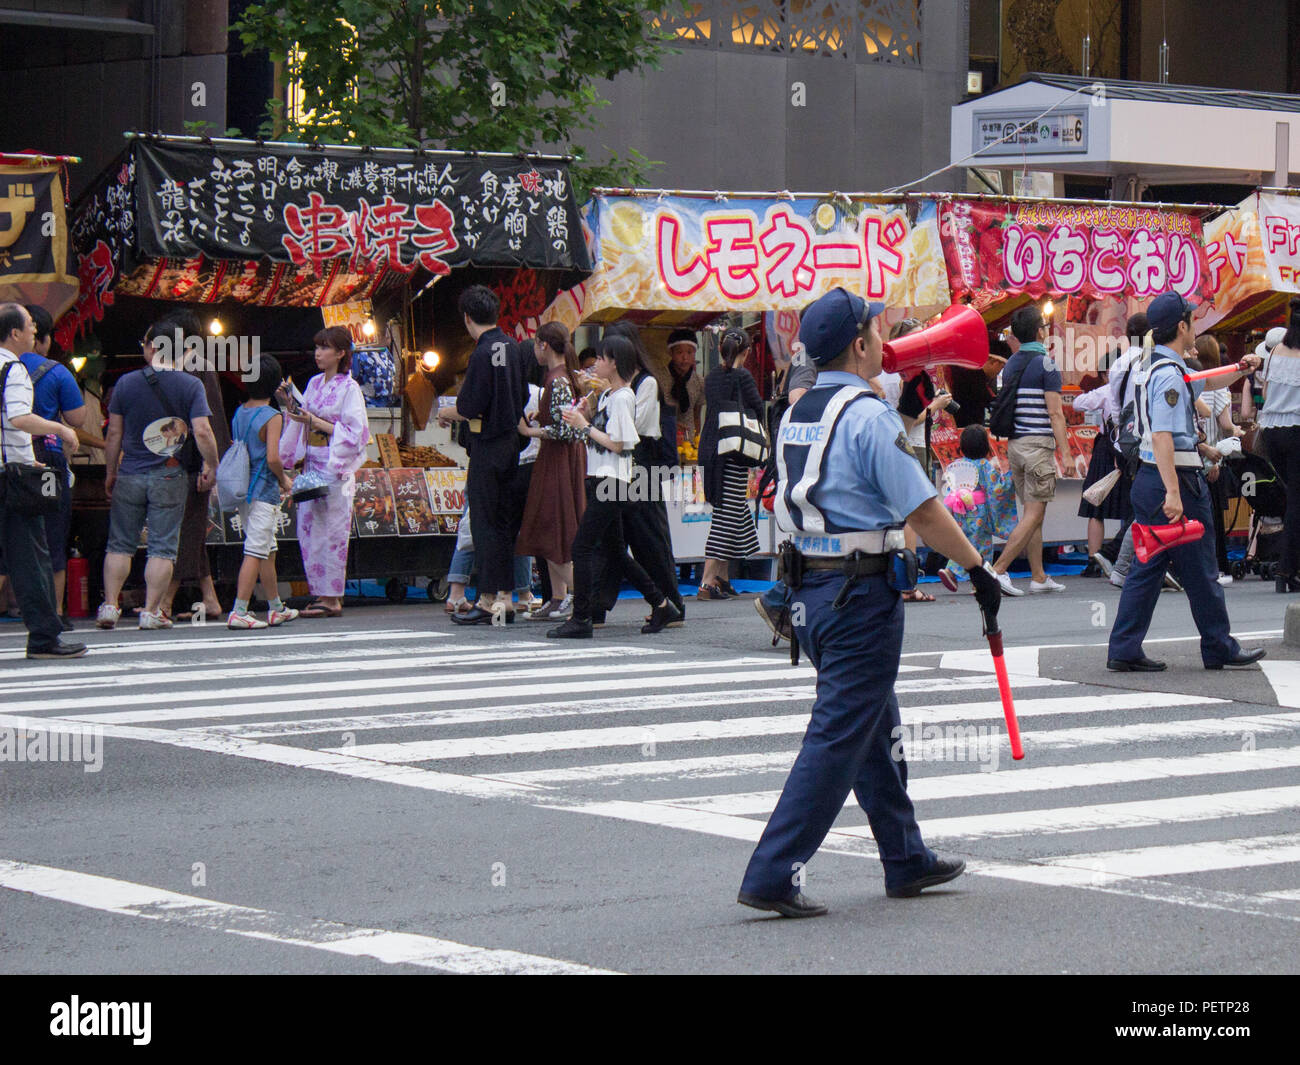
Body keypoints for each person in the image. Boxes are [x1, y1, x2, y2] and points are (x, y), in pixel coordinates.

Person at [737, 287, 1002, 916]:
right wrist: (977, 568)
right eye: (877, 332)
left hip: (811, 589)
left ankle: (904, 856)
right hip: (859, 593)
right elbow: (923, 508)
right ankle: (775, 871)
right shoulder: (868, 414)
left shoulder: (797, 409)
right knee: (838, 735)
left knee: (872, 724)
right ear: (859, 344)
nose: (886, 341)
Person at [1106, 291, 1266, 672]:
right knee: (1199, 567)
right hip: (1173, 480)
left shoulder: (1158, 367)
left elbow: (1208, 383)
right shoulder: (1169, 375)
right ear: (1182, 326)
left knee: (1151, 567)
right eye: (1193, 320)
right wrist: (1175, 493)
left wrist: (1242, 369)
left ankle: (1126, 647)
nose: (1196, 326)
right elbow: (1162, 434)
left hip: (1152, 480)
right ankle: (1217, 645)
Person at [547, 335, 681, 638]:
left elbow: (620, 444)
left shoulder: (623, 397)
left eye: (603, 359)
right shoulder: (609, 395)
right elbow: (600, 426)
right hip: (601, 477)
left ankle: (581, 616)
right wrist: (585, 409)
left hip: (614, 480)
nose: (596, 364)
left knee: (582, 547)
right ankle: (662, 605)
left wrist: (585, 426)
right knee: (616, 551)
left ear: (615, 363)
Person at [97, 317, 220, 630]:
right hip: (169, 474)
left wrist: (111, 471)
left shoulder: (126, 383)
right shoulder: (191, 384)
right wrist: (211, 465)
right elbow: (203, 431)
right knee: (163, 546)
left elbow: (114, 435)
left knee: (119, 544)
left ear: (152, 348)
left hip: (130, 473)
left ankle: (110, 606)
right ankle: (152, 611)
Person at [0, 304, 86, 659]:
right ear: (15, 333)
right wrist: (61, 428)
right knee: (31, 556)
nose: (35, 332)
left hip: (10, 466)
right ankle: (44, 639)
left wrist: (20, 453)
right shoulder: (14, 368)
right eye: (31, 326)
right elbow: (19, 417)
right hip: (11, 480)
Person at [437, 285, 526, 625]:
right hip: (511, 447)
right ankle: (506, 598)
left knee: (484, 523)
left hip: (487, 446)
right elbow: (518, 397)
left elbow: (470, 405)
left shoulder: (482, 353)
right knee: (503, 523)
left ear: (467, 317)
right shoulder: (512, 348)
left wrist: (448, 413)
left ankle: (488, 599)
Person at [279, 325, 371, 619]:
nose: (318, 353)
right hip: (313, 462)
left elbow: (357, 433)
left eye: (325, 347)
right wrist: (290, 406)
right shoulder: (315, 383)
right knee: (309, 530)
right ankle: (321, 592)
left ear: (341, 353)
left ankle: (332, 597)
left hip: (336, 465)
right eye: (317, 347)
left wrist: (316, 422)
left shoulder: (350, 388)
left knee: (333, 530)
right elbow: (301, 419)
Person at [989, 305, 1070, 596]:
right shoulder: (1046, 364)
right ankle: (997, 570)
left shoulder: (1010, 365)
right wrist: (1067, 453)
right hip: (1038, 447)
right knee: (1035, 513)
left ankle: (1038, 575)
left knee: (1032, 513)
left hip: (1015, 446)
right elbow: (1056, 413)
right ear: (1040, 331)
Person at [18, 305, 89, 628]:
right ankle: (55, 610)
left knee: (14, 531)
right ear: (42, 339)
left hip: (10, 456)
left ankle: (14, 603)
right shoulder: (57, 372)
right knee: (53, 530)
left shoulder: (5, 367)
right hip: (47, 455)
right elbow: (77, 419)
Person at [159, 311, 230, 622]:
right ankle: (210, 597)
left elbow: (210, 417)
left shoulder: (197, 364)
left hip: (194, 458)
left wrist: (208, 462)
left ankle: (165, 599)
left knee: (187, 528)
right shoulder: (185, 365)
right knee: (192, 528)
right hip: (184, 457)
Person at [517, 322, 587, 620]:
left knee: (548, 527)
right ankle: (558, 598)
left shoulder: (557, 380)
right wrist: (541, 415)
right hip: (560, 460)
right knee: (552, 528)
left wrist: (529, 430)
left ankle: (580, 595)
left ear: (544, 345)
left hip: (556, 460)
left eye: (536, 343)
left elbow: (564, 431)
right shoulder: (562, 378)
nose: (534, 349)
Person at [226, 355, 299, 630]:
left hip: (243, 489)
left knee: (268, 548)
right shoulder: (272, 416)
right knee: (256, 551)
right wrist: (285, 480)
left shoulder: (239, 412)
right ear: (274, 385)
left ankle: (276, 607)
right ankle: (239, 610)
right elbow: (272, 458)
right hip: (264, 490)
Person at [754, 335, 818, 642]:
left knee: (811, 538)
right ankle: (779, 601)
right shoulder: (808, 359)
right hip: (806, 463)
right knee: (817, 539)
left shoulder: (806, 359)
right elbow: (798, 397)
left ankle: (787, 607)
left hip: (803, 462)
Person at [890, 318, 953, 602]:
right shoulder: (903, 376)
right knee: (913, 515)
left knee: (903, 515)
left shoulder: (890, 373)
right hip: (910, 444)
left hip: (903, 445)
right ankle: (908, 583)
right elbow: (905, 422)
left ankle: (902, 581)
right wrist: (934, 407)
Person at [697, 329, 763, 599]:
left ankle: (722, 578)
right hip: (733, 450)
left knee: (729, 508)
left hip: (710, 447)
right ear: (746, 353)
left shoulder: (711, 376)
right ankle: (708, 580)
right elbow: (758, 409)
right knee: (726, 516)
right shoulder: (743, 376)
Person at [1192, 335, 1244, 584]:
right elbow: (1225, 426)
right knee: (1212, 516)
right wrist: (1238, 433)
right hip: (1213, 456)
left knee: (1195, 516)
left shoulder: (1191, 383)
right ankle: (1216, 567)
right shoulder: (1218, 387)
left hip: (1191, 456)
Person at [938, 425, 1017, 588]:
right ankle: (954, 572)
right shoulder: (984, 465)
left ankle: (976, 580)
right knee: (980, 544)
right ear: (985, 446)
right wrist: (1010, 477)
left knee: (965, 540)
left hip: (959, 510)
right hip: (977, 511)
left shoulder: (957, 464)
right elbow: (997, 489)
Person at [1257, 298, 1300, 592]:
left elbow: (1267, 391)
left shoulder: (1274, 353)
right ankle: (1285, 571)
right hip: (1297, 430)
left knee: (1293, 500)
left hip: (1272, 431)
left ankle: (1288, 571)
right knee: (1296, 503)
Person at [1072, 361, 1126, 575]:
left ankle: (1095, 560)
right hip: (1132, 447)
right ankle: (1125, 558)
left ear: (1106, 374)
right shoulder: (1139, 387)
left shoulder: (1107, 390)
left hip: (1108, 447)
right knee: (1135, 507)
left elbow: (1078, 403)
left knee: (1097, 505)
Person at [664, 327, 705, 443]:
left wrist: (696, 441)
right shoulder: (661, 379)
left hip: (688, 441)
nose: (684, 357)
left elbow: (697, 415)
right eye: (679, 352)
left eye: (689, 352)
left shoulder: (699, 381)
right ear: (670, 353)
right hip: (666, 438)